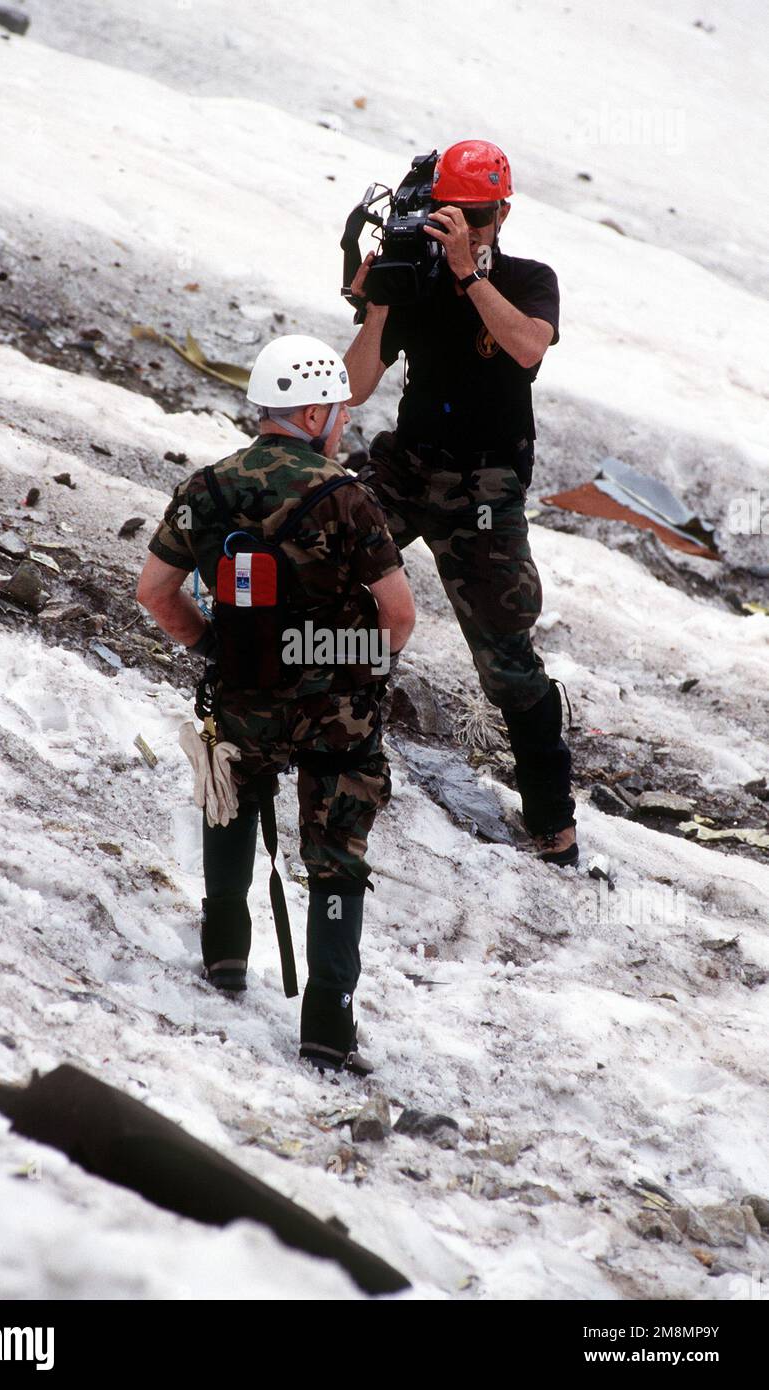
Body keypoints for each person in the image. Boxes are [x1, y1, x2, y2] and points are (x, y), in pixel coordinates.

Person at [137, 335, 415, 1073]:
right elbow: (400, 617)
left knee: (230, 797)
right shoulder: (347, 497)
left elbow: (154, 594)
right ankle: (328, 1024)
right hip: (337, 717)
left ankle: (224, 957)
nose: (347, 423)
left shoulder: (207, 489)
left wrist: (215, 648)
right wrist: (345, 665)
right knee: (334, 857)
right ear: (317, 409)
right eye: (343, 411)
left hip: (242, 694)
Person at [343, 138, 577, 866]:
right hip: (409, 466)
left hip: (487, 486)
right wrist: (380, 302)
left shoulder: (527, 279)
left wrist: (470, 274)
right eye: (457, 212)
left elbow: (528, 347)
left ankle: (552, 820)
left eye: (480, 214)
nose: (467, 225)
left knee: (506, 661)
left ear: (504, 212)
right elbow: (352, 388)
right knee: (327, 572)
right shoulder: (413, 276)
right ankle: (326, 746)